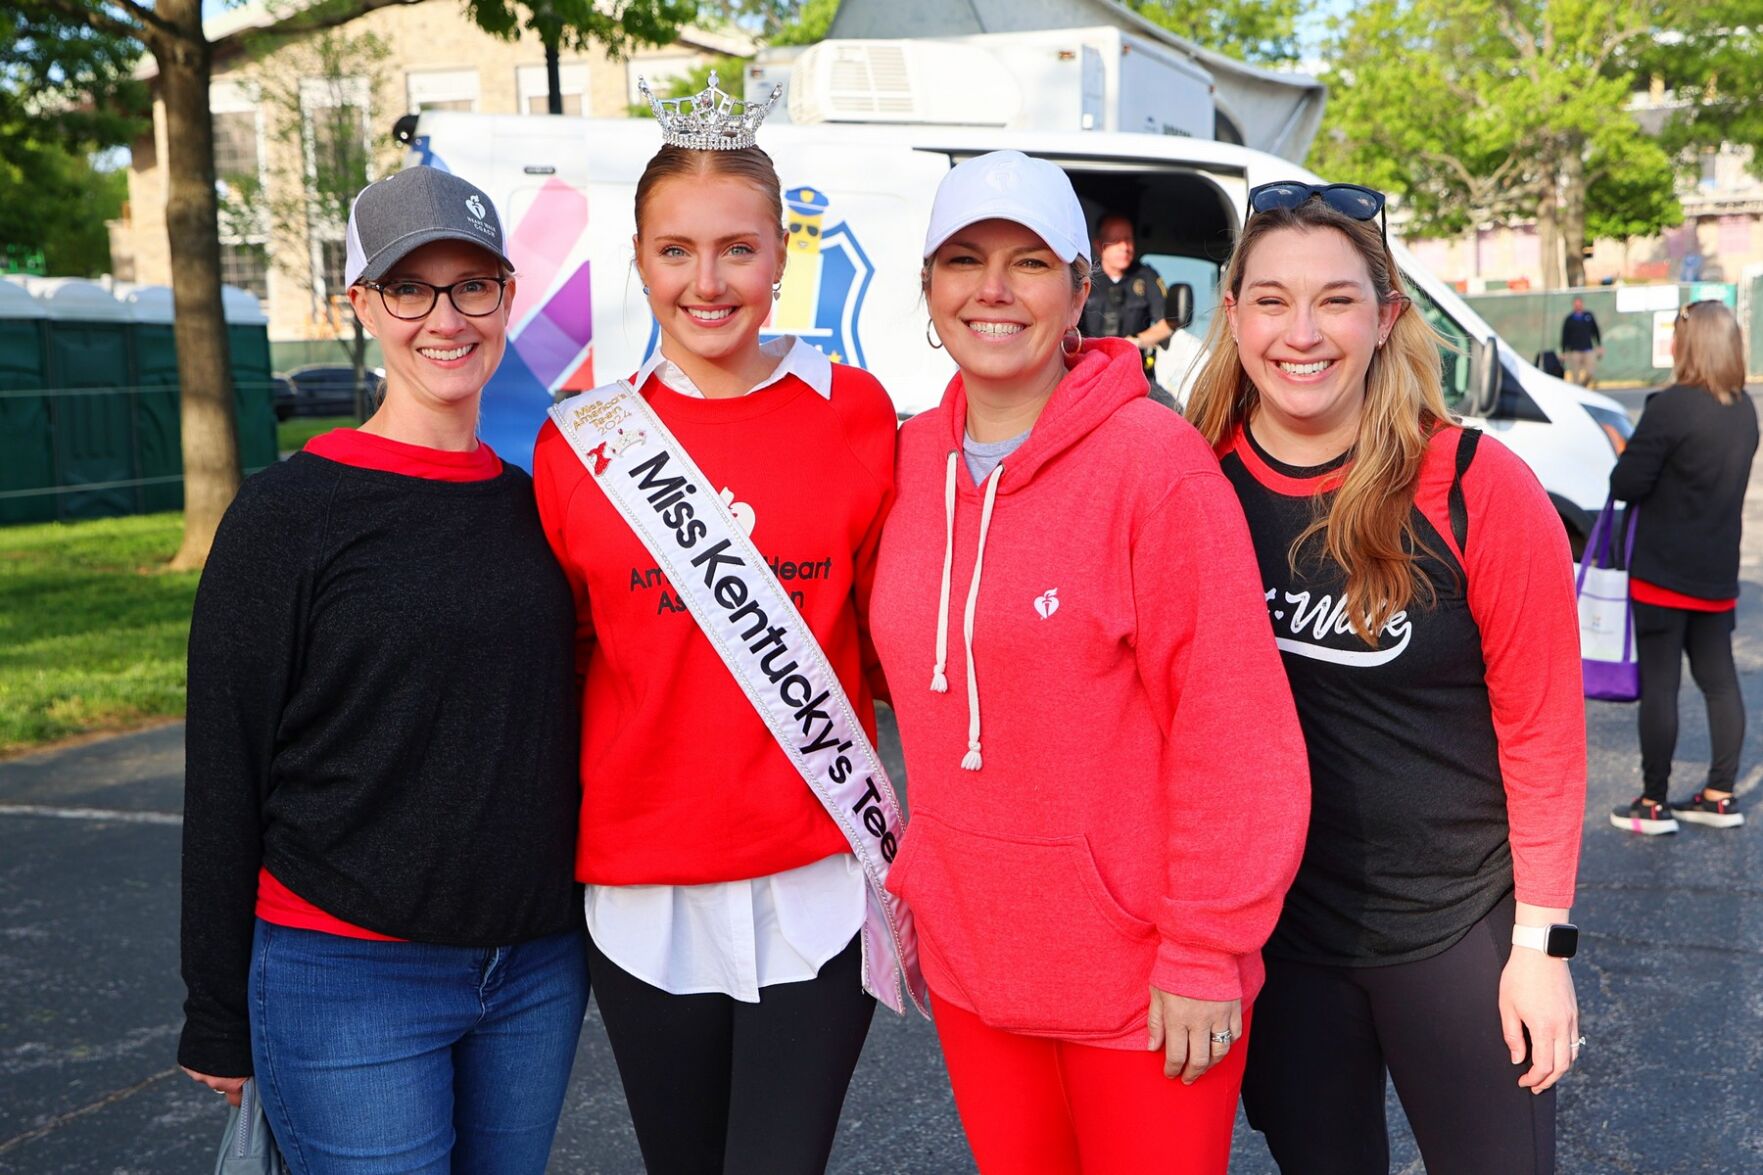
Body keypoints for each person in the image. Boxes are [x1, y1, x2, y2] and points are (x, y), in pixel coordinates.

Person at [870, 150, 1310, 1174]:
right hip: (978, 965)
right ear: (928, 289)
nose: (991, 288)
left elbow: (1232, 727)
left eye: (1028, 262)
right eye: (962, 260)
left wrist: (1205, 945)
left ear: (1079, 290)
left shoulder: (1151, 465)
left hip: (1145, 980)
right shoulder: (904, 461)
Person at [530, 74, 911, 1175]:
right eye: (676, 250)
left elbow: (894, 639)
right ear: (639, 258)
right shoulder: (582, 443)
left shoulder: (855, 412)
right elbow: (559, 659)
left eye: (737, 249)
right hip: (644, 885)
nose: (707, 282)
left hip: (818, 878)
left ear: (780, 253)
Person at [178, 166, 588, 1173]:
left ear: (506, 298)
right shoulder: (285, 516)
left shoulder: (545, 504)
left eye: (472, 286)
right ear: (359, 305)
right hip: (346, 968)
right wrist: (217, 1012)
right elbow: (225, 764)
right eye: (410, 288)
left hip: (533, 966)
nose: (444, 318)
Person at [1185, 180, 1588, 1175]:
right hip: (1283, 944)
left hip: (1457, 926)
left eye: (1334, 299)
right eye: (1270, 299)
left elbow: (1542, 735)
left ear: (1385, 318)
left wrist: (1541, 951)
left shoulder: (1471, 485)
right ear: (1231, 316)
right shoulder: (1191, 484)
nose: (1300, 330)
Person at [1609, 299, 1758, 835]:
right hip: (1717, 574)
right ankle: (1720, 795)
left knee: (1663, 687)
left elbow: (1626, 484)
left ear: (1689, 344)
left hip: (1664, 574)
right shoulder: (1744, 409)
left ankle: (1654, 803)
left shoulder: (1671, 407)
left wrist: (1623, 448)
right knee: (1720, 684)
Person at [1082, 212, 1179, 403]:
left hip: (1137, 377)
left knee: (1176, 414)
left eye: (1128, 240)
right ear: (1098, 245)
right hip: (1086, 374)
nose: (1125, 247)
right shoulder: (1083, 279)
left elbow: (1168, 323)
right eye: (1116, 241)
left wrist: (1137, 341)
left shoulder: (1146, 276)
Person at [1561, 296, 1602, 388]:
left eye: (1579, 304)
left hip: (1588, 349)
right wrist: (1564, 351)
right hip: (1575, 350)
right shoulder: (1569, 319)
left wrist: (1599, 345)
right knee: (1575, 375)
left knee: (1590, 372)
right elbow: (1565, 336)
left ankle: (1583, 387)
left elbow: (1596, 331)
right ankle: (1577, 392)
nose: (1578, 306)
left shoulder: (1588, 316)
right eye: (1576, 305)